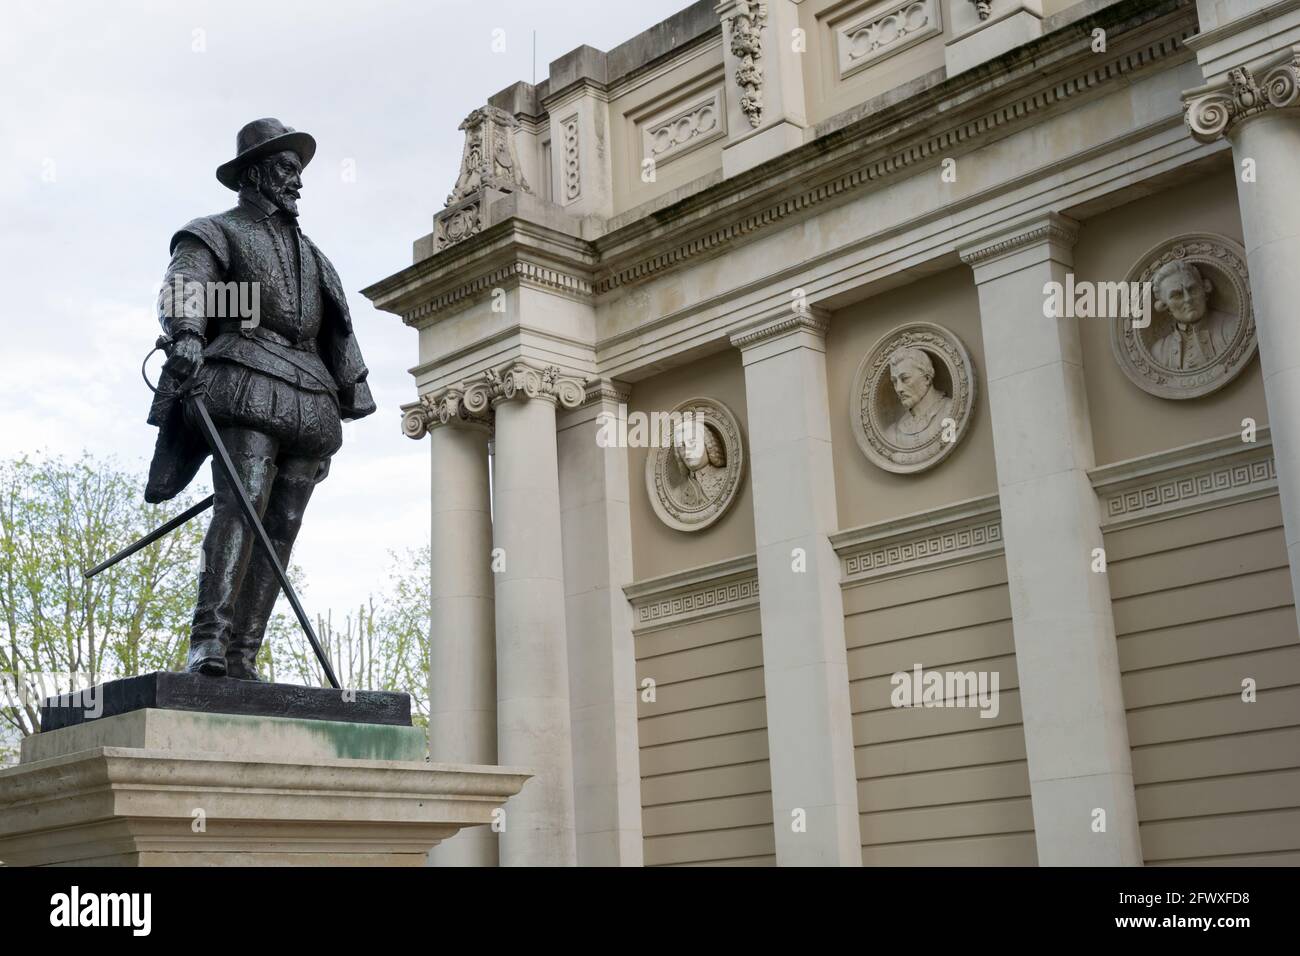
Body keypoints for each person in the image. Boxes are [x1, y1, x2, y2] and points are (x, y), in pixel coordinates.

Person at [145, 118, 376, 679]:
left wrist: (352, 386)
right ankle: (210, 639)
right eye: (285, 168)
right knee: (241, 504)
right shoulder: (216, 231)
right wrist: (188, 336)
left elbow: (334, 325)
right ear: (253, 173)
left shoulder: (314, 254)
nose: (296, 181)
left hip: (310, 390)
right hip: (245, 375)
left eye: (298, 171)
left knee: (284, 523)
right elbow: (187, 286)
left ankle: (245, 652)